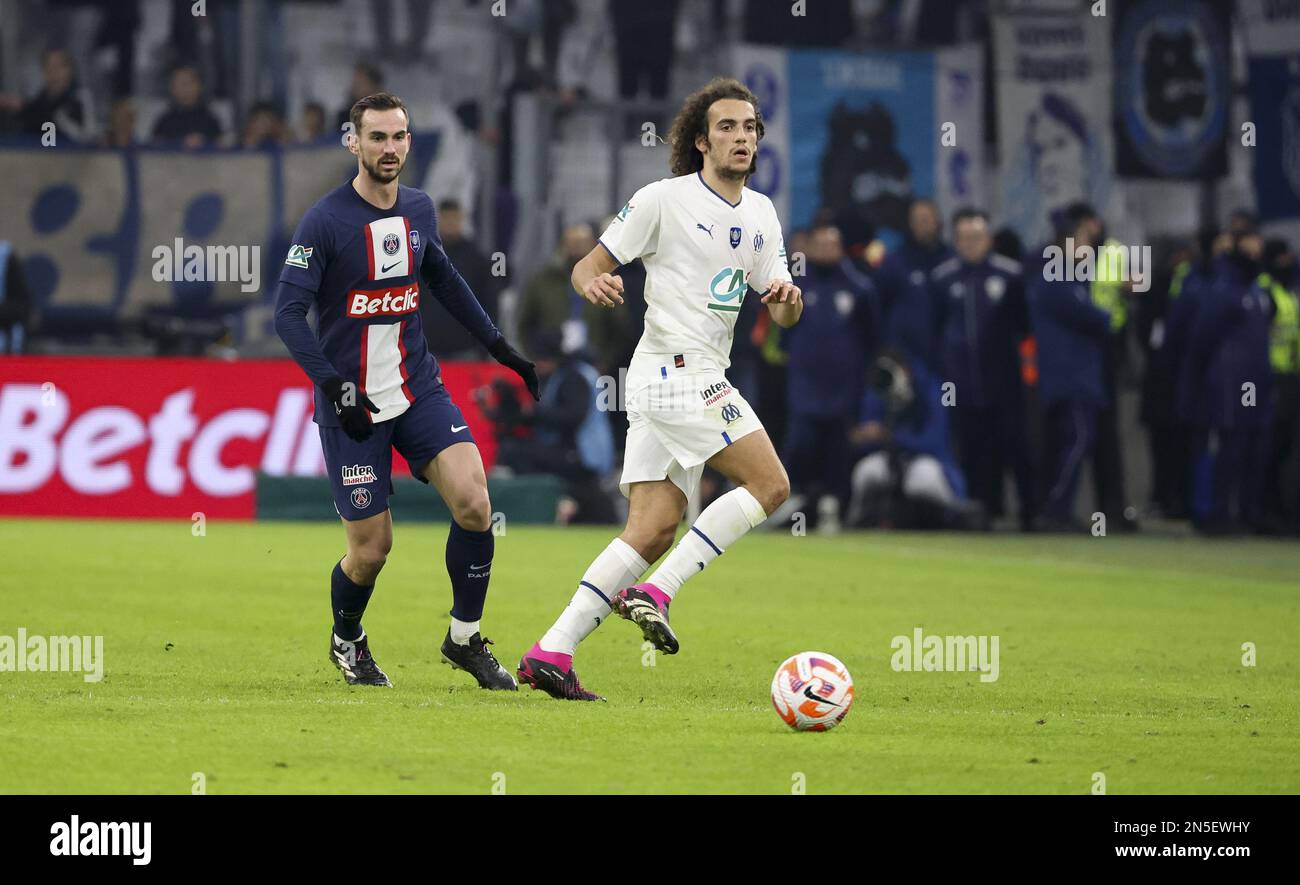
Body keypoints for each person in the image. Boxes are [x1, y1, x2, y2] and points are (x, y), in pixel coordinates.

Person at [518, 78, 801, 701]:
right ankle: (656, 591)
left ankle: (552, 651)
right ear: (701, 141)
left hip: (691, 376)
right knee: (771, 484)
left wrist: (787, 300)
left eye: (750, 127)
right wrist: (592, 283)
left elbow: (779, 308)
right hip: (674, 373)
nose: (741, 138)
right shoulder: (662, 200)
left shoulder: (761, 214)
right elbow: (588, 265)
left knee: (651, 529)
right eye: (727, 127)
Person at [273, 92, 539, 690]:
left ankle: (465, 638)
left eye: (398, 137)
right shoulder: (324, 221)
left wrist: (500, 347)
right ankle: (348, 642)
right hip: (353, 405)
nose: (389, 149)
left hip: (418, 388)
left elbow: (442, 277)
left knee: (475, 502)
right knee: (371, 550)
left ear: (409, 142)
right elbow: (288, 315)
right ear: (354, 143)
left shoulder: (418, 211)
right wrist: (335, 385)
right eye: (377, 138)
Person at [930, 208, 1034, 529]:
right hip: (960, 386)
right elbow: (935, 330)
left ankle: (1031, 514)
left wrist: (1028, 375)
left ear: (988, 239)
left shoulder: (1011, 275)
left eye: (977, 237)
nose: (970, 244)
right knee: (973, 450)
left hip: (1004, 383)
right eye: (964, 238)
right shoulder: (943, 278)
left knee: (1016, 447)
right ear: (956, 240)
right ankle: (981, 513)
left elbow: (1026, 328)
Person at [776, 220, 877, 531]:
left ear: (841, 247)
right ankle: (797, 507)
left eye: (832, 244)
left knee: (838, 451)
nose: (825, 250)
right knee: (802, 446)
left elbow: (872, 338)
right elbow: (784, 337)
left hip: (843, 390)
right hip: (805, 388)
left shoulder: (860, 288)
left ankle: (833, 507)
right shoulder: (796, 288)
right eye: (819, 245)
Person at [1029, 210, 1112, 530]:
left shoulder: (1070, 276)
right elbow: (1094, 317)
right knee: (1078, 440)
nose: (1088, 248)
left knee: (1067, 442)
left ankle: (1054, 509)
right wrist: (1107, 317)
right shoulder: (1056, 277)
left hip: (1075, 377)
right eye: (1082, 240)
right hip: (1069, 378)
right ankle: (1055, 509)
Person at [1187, 232, 1273, 533]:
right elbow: (1203, 337)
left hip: (1254, 384)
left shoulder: (1256, 292)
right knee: (1227, 445)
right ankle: (1214, 513)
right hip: (1228, 383)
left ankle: (1244, 511)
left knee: (1251, 446)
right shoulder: (1224, 289)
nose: (1255, 259)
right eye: (1250, 253)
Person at [874, 198, 953, 369]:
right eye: (917, 220)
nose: (922, 225)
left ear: (937, 222)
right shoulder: (894, 264)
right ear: (910, 224)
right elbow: (878, 309)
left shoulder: (953, 262)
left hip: (948, 360)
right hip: (907, 362)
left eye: (926, 219)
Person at [419, 199, 499, 359]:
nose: (450, 223)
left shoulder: (477, 259)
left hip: (466, 350)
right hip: (428, 348)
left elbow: (489, 303)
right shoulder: (422, 256)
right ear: (437, 219)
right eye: (446, 218)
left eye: (454, 218)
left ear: (462, 219)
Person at [151, 65, 222, 149]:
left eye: (188, 83)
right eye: (179, 84)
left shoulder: (210, 120)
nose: (184, 89)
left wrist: (204, 143)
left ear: (199, 86)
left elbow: (220, 147)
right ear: (172, 89)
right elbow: (155, 149)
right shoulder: (164, 122)